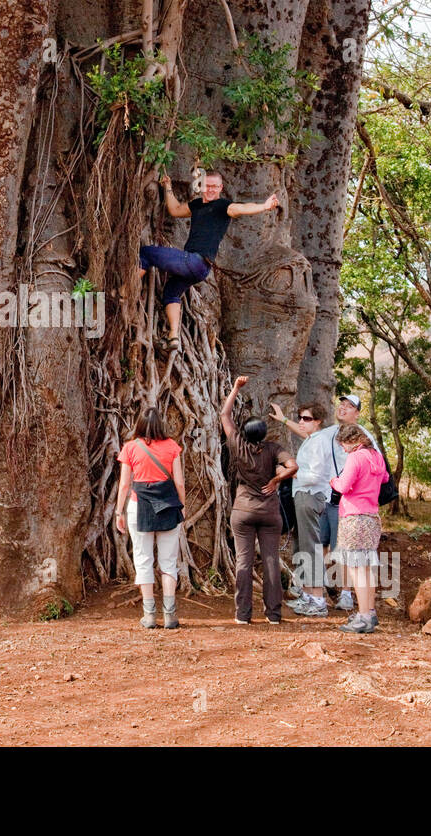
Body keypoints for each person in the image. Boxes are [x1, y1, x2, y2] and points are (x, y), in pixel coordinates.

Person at [137, 171, 279, 354]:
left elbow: (243, 208)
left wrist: (264, 206)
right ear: (201, 186)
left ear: (220, 188)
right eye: (207, 185)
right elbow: (175, 210)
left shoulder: (223, 206)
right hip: (198, 269)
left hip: (194, 261)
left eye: (214, 186)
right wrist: (168, 187)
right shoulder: (196, 205)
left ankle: (125, 293)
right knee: (171, 292)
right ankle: (173, 336)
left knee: (146, 253)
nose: (210, 189)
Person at [271, 393, 375, 611]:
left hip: (349, 498)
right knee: (317, 544)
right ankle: (309, 591)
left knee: (343, 547)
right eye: (342, 404)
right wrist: (282, 419)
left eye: (350, 406)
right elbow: (306, 431)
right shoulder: (327, 434)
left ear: (357, 413)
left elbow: (375, 464)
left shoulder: (364, 437)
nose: (343, 408)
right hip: (329, 495)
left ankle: (341, 594)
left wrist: (291, 473)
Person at [220, 376, 297, 624]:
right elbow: (293, 466)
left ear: (244, 433)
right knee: (272, 560)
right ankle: (274, 614)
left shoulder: (238, 445)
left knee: (243, 561)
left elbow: (224, 415)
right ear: (264, 434)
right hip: (269, 512)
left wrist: (235, 389)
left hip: (243, 510)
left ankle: (243, 614)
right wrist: (276, 480)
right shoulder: (274, 449)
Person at [114, 408, 185, 629]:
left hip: (139, 507)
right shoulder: (172, 446)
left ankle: (150, 615)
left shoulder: (130, 448)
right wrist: (182, 507)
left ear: (140, 424)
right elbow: (180, 482)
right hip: (168, 506)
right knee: (168, 562)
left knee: (143, 559)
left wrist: (119, 512)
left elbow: (125, 484)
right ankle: (170, 616)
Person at [273, 402, 331, 617]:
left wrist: (290, 472)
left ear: (318, 421)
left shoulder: (318, 443)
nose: (301, 422)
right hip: (302, 496)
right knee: (302, 545)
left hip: (310, 496)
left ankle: (318, 600)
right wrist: (283, 419)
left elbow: (315, 476)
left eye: (306, 419)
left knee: (311, 548)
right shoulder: (312, 440)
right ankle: (307, 596)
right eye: (300, 418)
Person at [329, 425, 388, 633]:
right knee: (367, 567)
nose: (343, 450)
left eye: (343, 445)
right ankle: (369, 612)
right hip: (372, 517)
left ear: (352, 441)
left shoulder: (356, 457)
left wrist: (333, 481)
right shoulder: (376, 456)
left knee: (356, 568)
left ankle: (362, 616)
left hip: (354, 517)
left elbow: (344, 486)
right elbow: (385, 478)